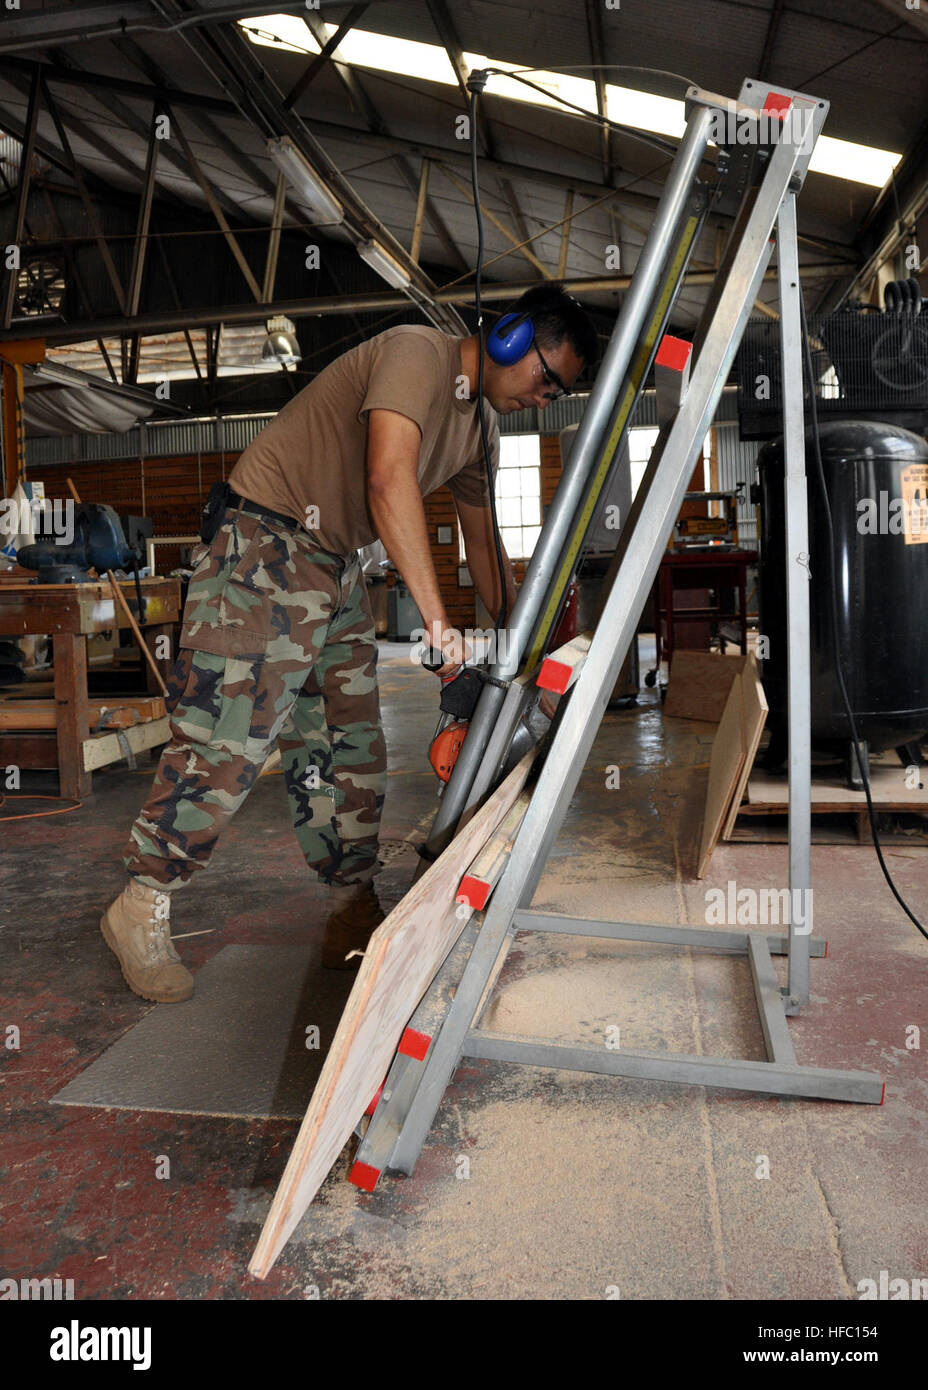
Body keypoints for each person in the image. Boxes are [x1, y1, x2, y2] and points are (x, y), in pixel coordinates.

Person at [100, 284, 599, 1002]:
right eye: (546, 377)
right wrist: (435, 619)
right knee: (228, 737)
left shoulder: (480, 430)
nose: (546, 397)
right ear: (511, 338)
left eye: (561, 391)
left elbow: (483, 539)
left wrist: (524, 633)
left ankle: (349, 903)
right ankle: (141, 902)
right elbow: (387, 477)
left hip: (334, 567)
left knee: (347, 744)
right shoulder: (416, 356)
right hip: (262, 547)